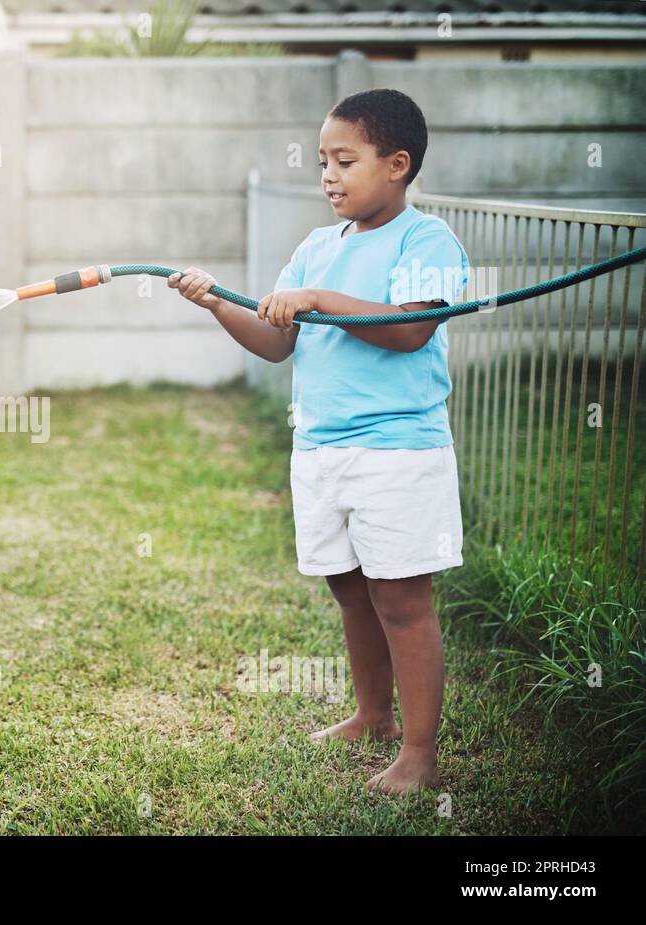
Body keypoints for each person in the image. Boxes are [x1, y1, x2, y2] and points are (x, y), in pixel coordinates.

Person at [170, 88, 470, 795]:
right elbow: (277, 343)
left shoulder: (427, 241)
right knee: (350, 587)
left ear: (397, 165)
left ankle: (420, 754)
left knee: (401, 597)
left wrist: (320, 300)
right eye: (322, 162)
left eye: (345, 160)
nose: (328, 175)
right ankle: (374, 717)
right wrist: (219, 301)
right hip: (321, 446)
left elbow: (410, 329)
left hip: (397, 449)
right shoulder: (313, 248)